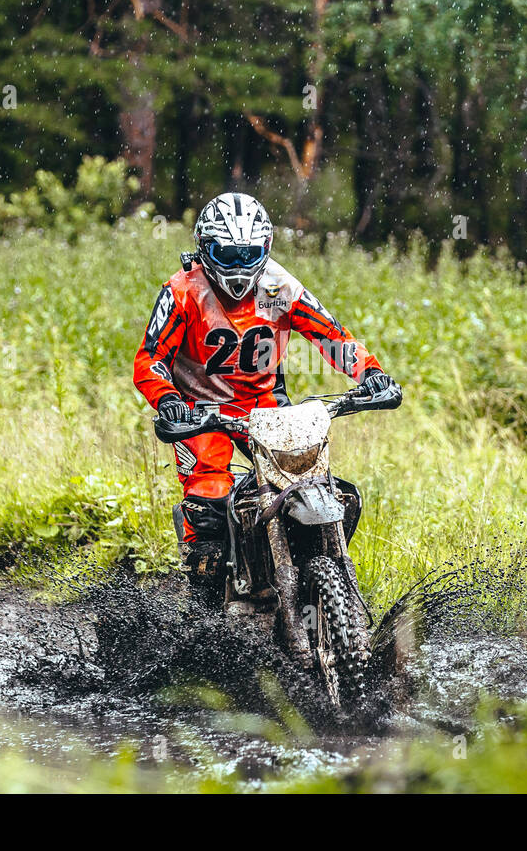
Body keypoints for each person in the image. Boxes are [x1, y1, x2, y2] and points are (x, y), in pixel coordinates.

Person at [133, 192, 398, 580]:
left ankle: (309, 574)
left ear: (267, 249)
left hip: (264, 403)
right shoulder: (182, 290)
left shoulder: (281, 286)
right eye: (227, 256)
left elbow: (333, 337)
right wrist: (169, 399)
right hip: (200, 409)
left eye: (249, 255)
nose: (239, 269)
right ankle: (202, 603)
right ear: (204, 250)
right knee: (209, 502)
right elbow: (149, 359)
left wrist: (371, 374)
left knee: (314, 485)